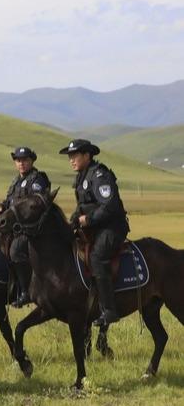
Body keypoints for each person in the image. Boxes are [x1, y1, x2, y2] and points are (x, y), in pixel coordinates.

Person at [60, 139, 128, 326]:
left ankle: (109, 310)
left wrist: (88, 220)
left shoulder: (100, 176)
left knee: (97, 257)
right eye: (70, 157)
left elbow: (109, 206)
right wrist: (72, 221)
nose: (71, 160)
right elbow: (83, 206)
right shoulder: (82, 176)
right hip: (94, 228)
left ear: (87, 156)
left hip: (112, 228)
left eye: (75, 156)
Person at [0, 146, 51, 307]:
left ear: (31, 161)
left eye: (25, 160)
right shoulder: (16, 181)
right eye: (18, 160)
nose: (21, 163)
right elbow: (9, 201)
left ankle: (27, 291)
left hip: (31, 228)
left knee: (16, 251)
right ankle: (11, 288)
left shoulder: (37, 180)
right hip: (15, 226)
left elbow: (35, 205)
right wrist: (0, 206)